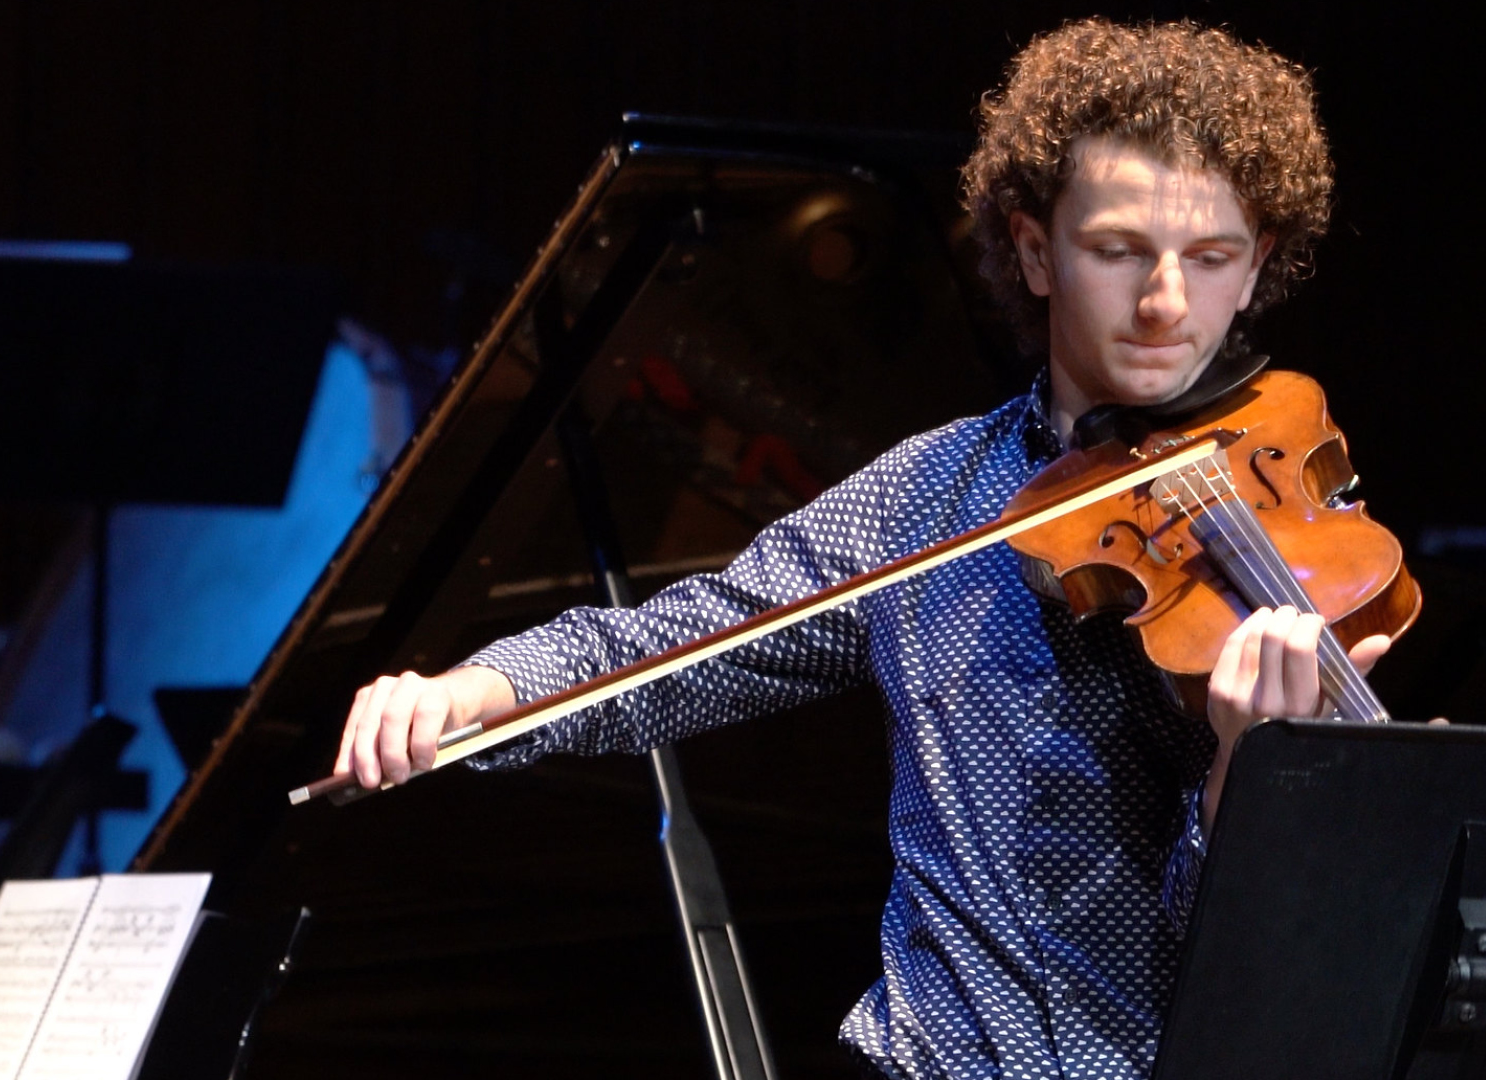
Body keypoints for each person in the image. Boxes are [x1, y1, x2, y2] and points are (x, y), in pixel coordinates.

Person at [335, 16, 1390, 1080]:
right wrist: (472, 690)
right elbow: (679, 644)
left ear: (1256, 269)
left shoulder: (1292, 521)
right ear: (1033, 250)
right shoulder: (919, 502)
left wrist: (1252, 780)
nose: (1166, 303)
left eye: (1210, 260)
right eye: (1117, 251)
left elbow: (1311, 955)